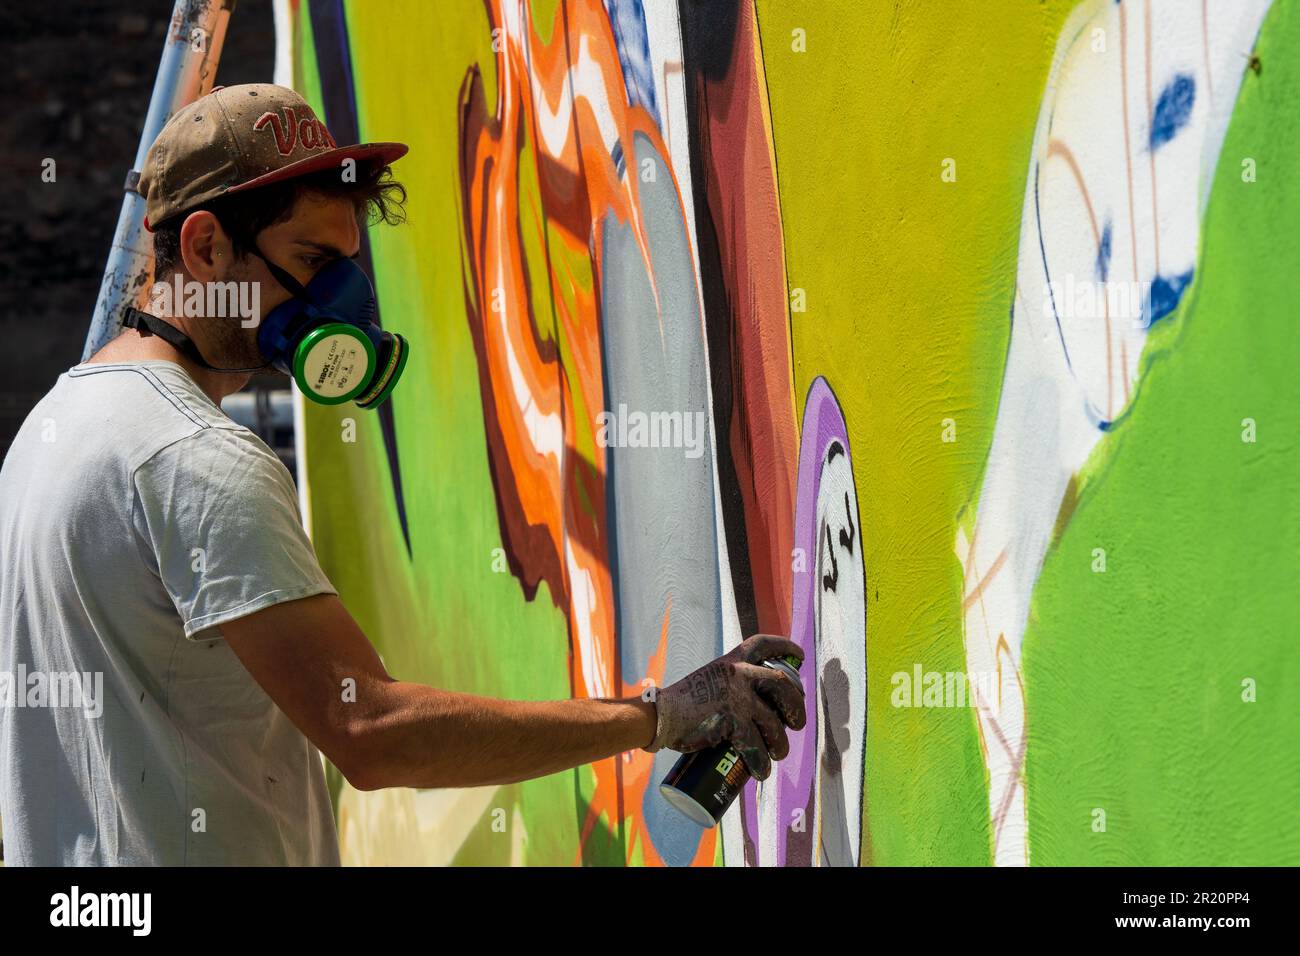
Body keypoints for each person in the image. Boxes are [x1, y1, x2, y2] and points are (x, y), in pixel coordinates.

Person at [0, 84, 805, 866]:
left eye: (347, 264)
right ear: (206, 247)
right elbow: (372, 733)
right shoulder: (195, 458)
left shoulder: (51, 431)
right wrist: (659, 717)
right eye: (312, 261)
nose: (341, 299)